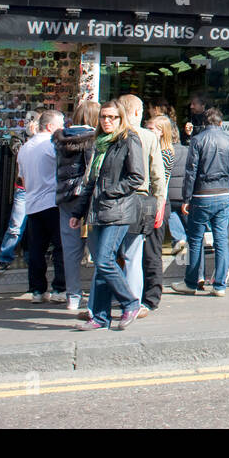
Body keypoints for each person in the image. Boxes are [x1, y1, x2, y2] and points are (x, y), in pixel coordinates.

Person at [70, 100, 145, 330]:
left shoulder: (128, 140)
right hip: (97, 211)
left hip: (118, 210)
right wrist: (78, 212)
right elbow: (91, 181)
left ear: (122, 119)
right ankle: (100, 318)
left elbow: (137, 177)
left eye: (113, 117)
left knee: (104, 260)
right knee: (103, 265)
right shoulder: (99, 143)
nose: (107, 121)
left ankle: (130, 302)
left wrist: (111, 190)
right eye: (103, 117)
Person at [172, 107, 229, 296]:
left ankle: (192, 282)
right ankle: (219, 285)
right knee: (221, 240)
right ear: (221, 123)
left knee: (195, 239)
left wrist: (186, 198)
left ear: (205, 123)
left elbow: (191, 171)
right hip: (223, 193)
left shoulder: (198, 140)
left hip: (202, 194)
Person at [117, 94, 166, 317]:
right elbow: (158, 175)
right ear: (137, 112)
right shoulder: (148, 138)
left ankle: (115, 296)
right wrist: (160, 202)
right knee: (133, 254)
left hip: (114, 200)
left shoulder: (113, 134)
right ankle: (133, 301)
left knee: (111, 253)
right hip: (140, 199)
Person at [55, 101, 98, 315]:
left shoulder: (61, 139)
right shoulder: (92, 139)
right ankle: (98, 294)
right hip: (87, 198)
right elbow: (92, 170)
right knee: (97, 245)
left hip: (65, 196)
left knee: (70, 250)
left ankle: (73, 295)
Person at [19, 109, 66, 304]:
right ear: (50, 126)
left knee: (36, 249)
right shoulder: (53, 146)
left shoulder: (25, 148)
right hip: (52, 202)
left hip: (32, 203)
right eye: (61, 125)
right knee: (60, 248)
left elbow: (21, 177)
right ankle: (59, 288)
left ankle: (38, 290)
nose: (63, 129)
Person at [0, 112, 40, 270]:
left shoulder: (48, 140)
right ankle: (5, 258)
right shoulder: (19, 139)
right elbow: (19, 153)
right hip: (24, 188)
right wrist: (33, 137)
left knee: (36, 227)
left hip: (41, 189)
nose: (32, 124)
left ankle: (31, 259)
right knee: (16, 225)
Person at [147, 114, 188, 257]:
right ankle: (183, 245)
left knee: (171, 217)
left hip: (167, 195)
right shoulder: (186, 151)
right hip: (182, 195)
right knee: (188, 227)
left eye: (151, 128)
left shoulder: (163, 153)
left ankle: (180, 239)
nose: (148, 131)